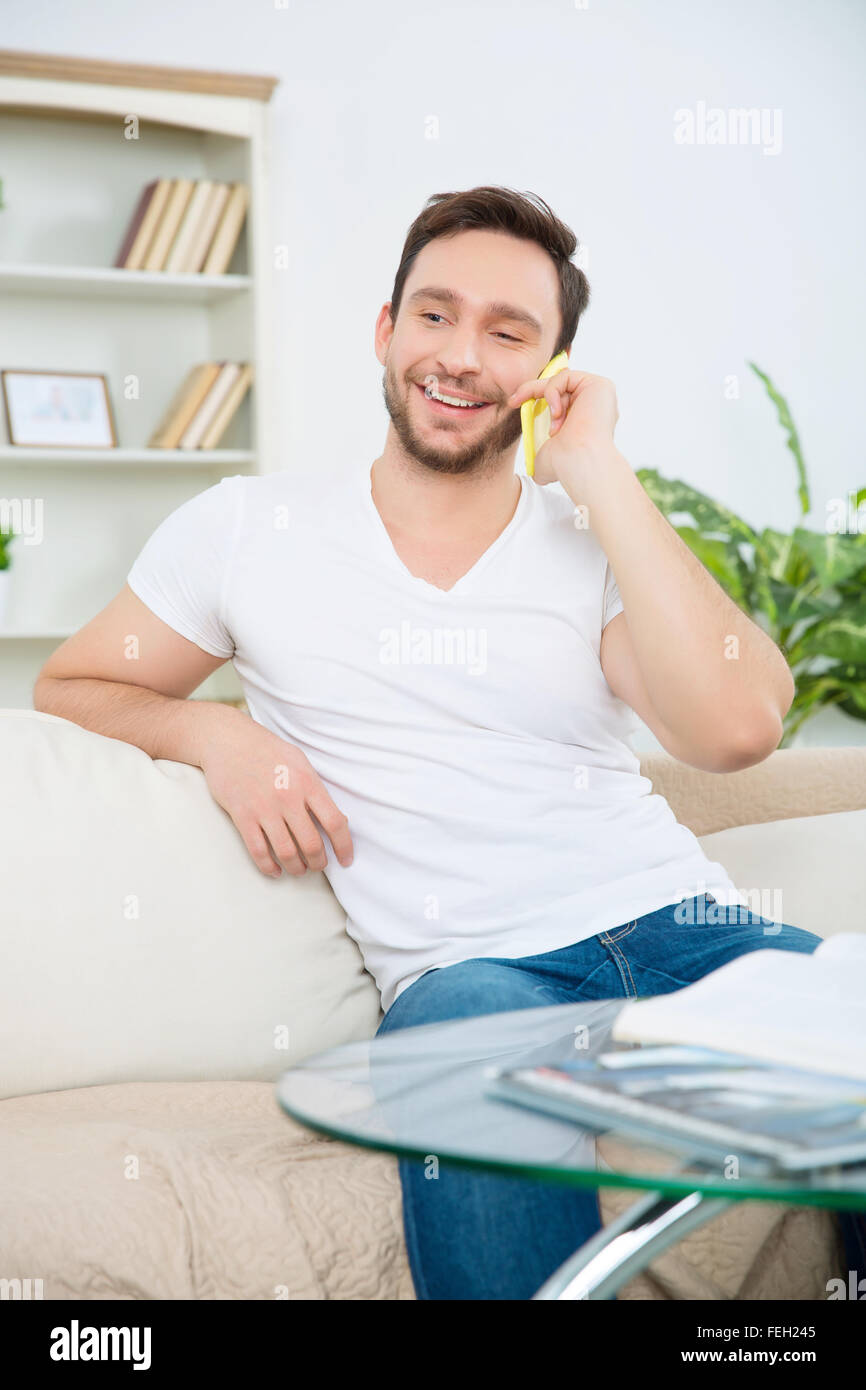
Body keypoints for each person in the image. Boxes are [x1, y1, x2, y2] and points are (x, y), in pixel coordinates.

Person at [33, 185, 859, 1300]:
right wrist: (215, 736)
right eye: (435, 315)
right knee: (465, 1069)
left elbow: (739, 726)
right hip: (469, 973)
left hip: (676, 932)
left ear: (553, 374)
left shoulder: (592, 541)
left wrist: (602, 474)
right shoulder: (245, 531)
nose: (460, 354)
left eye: (508, 332)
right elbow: (73, 682)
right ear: (385, 330)